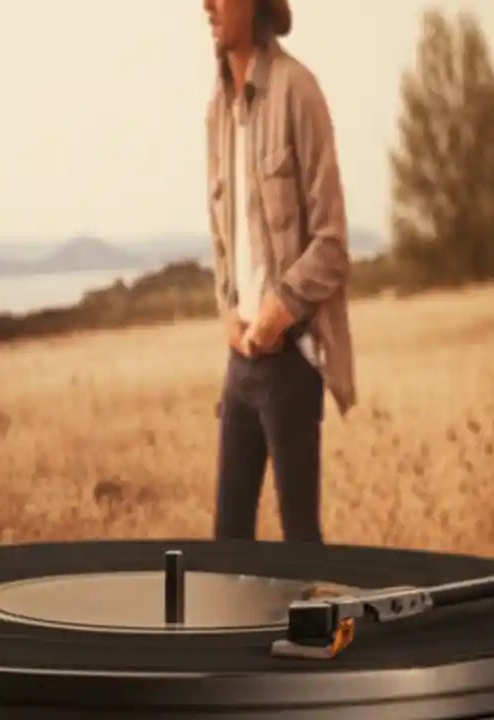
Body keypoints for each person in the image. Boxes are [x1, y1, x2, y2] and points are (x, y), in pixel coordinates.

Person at [202, 0, 355, 543]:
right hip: (239, 362)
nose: (206, 6)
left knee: (300, 546)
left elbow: (332, 243)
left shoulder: (299, 91)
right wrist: (228, 310)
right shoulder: (215, 113)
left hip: (291, 360)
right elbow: (223, 241)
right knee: (227, 542)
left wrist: (277, 312)